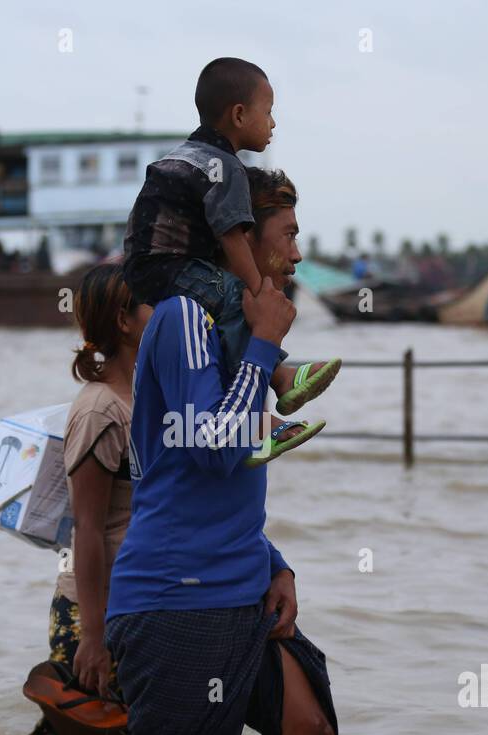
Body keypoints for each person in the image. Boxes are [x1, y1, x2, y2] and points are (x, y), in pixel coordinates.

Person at [105, 166, 338, 735]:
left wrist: (276, 564)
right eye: (285, 236)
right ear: (237, 239)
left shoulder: (233, 333)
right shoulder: (182, 319)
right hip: (176, 602)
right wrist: (265, 344)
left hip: (243, 587)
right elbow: (214, 449)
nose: (295, 253)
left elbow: (222, 480)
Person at [122, 57, 340, 464]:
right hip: (166, 266)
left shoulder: (190, 154)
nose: (273, 123)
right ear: (239, 115)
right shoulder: (225, 170)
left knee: (233, 307)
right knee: (238, 297)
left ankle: (276, 388)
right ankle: (275, 388)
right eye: (269, 112)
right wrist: (259, 293)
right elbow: (232, 236)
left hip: (148, 264)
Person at [12, 264, 153, 735]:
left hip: (132, 601)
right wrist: (93, 637)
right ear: (124, 320)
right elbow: (87, 528)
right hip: (93, 609)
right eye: (151, 303)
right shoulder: (99, 410)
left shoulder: (146, 398)